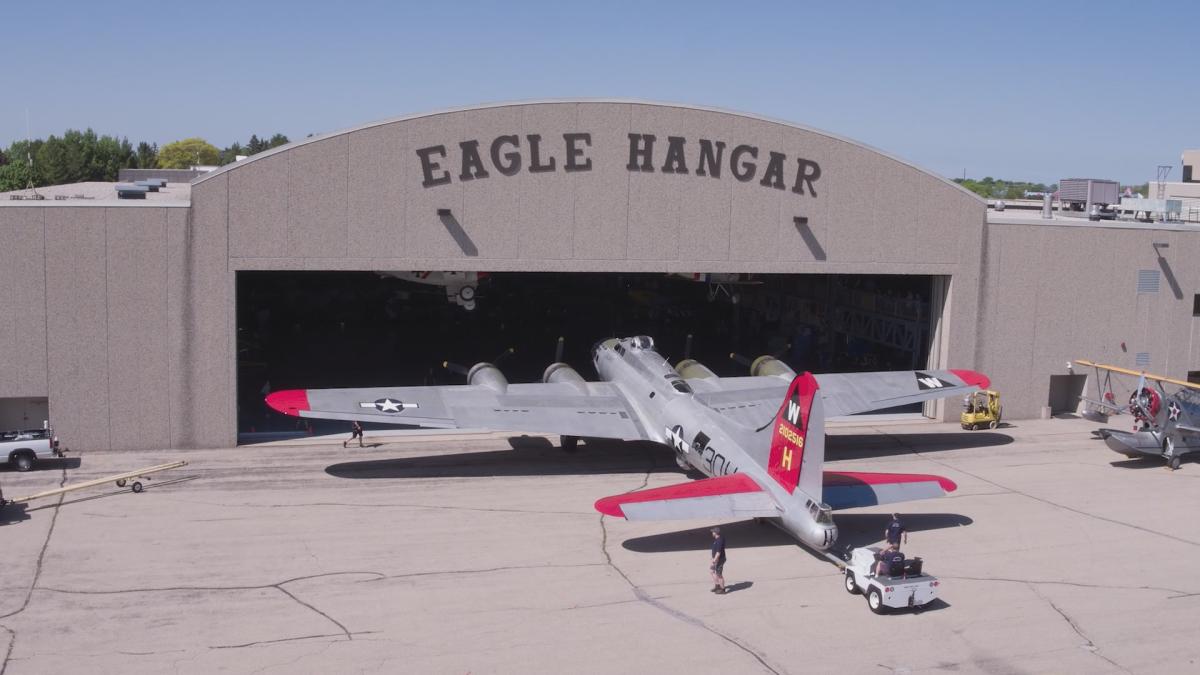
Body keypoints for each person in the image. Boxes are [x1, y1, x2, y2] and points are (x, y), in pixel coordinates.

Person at [710, 527, 727, 594]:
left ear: (715, 533)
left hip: (719, 559)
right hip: (716, 559)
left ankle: (723, 589)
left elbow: (718, 552)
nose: (712, 533)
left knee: (719, 574)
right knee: (711, 571)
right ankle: (717, 586)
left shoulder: (719, 540)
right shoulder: (717, 539)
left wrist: (714, 560)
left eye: (713, 532)